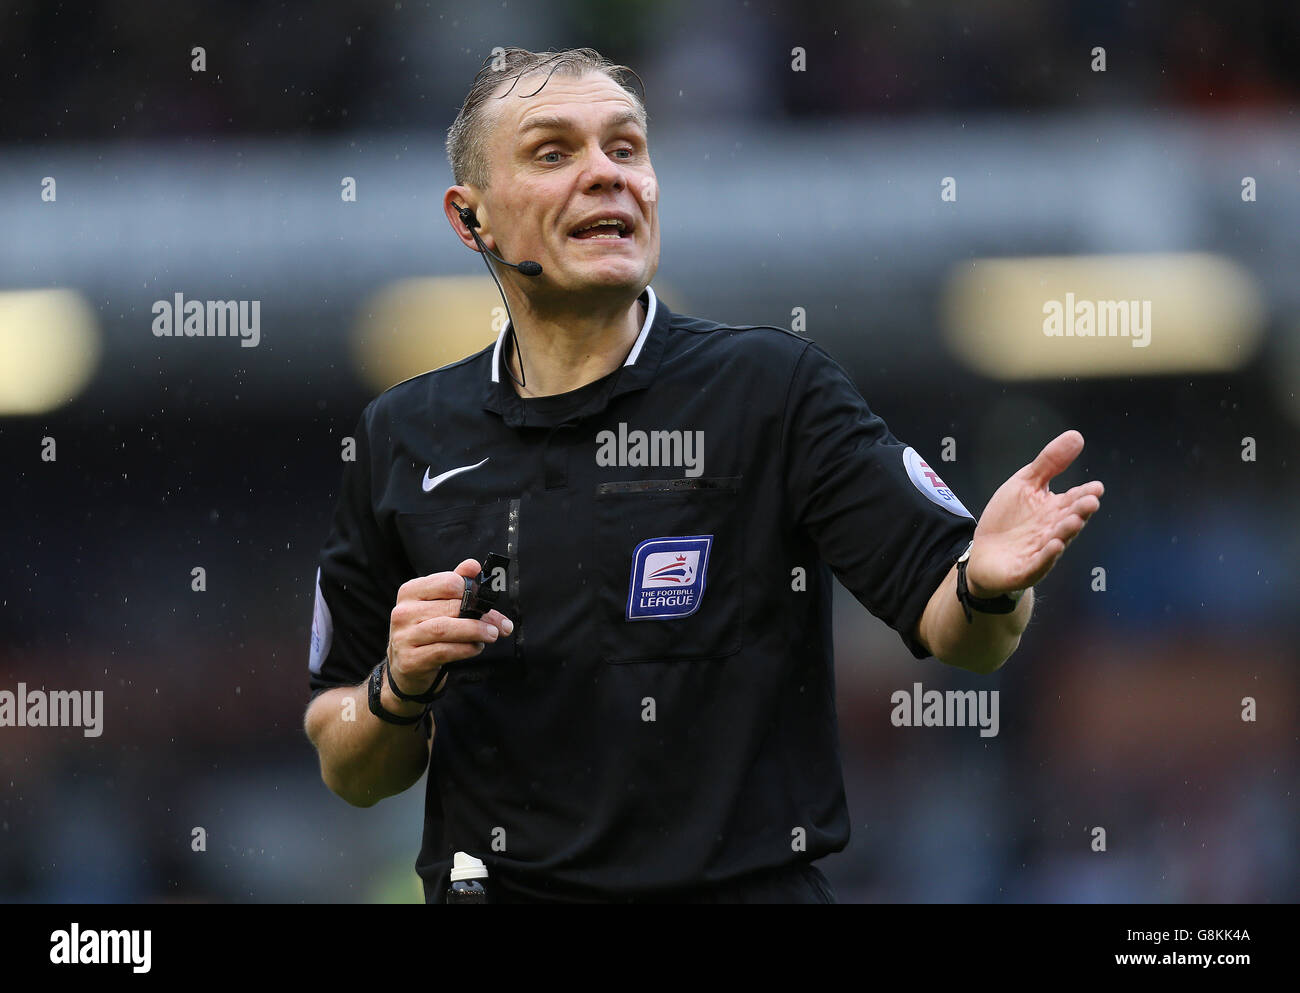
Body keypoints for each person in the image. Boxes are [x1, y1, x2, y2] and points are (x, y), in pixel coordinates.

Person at [303, 47, 1104, 904]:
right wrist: (396, 688)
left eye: (626, 147)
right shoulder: (403, 434)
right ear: (473, 219)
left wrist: (987, 585)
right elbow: (346, 759)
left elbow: (963, 631)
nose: (607, 175)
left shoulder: (773, 390)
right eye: (553, 152)